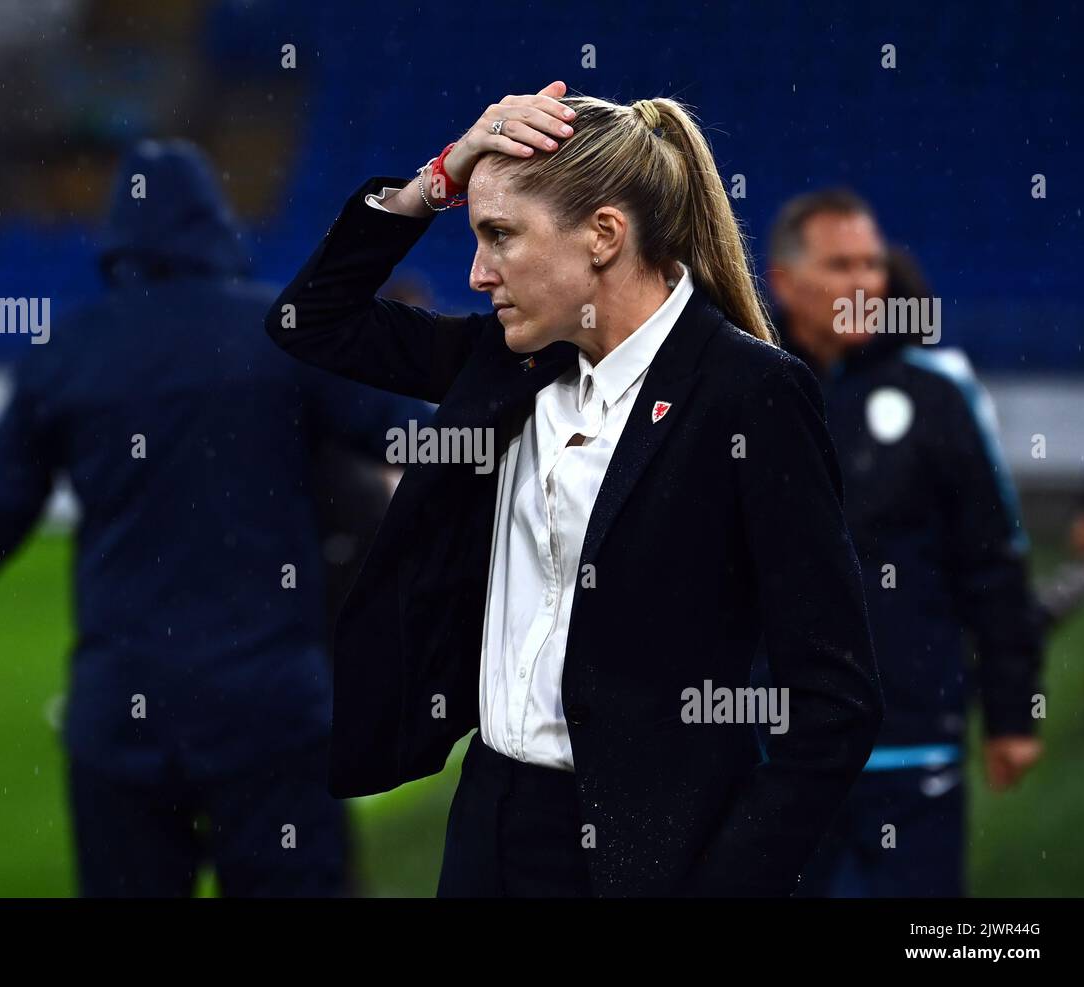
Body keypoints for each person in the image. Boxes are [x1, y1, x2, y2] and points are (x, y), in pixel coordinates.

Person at [264, 80, 883, 897]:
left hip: (651, 853)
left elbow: (835, 699)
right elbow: (310, 320)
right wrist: (435, 181)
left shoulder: (749, 392)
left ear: (603, 235)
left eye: (500, 236)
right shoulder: (510, 357)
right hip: (491, 820)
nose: (478, 273)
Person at [0, 139, 428, 897]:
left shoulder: (68, 353)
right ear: (215, 223)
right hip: (270, 711)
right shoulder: (284, 333)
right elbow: (421, 438)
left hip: (122, 716)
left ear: (118, 235)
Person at [766, 191, 1045, 896]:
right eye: (840, 265)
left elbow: (994, 559)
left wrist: (1012, 711)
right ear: (784, 281)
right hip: (777, 748)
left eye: (872, 263)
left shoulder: (938, 392)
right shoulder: (745, 388)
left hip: (914, 738)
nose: (867, 282)